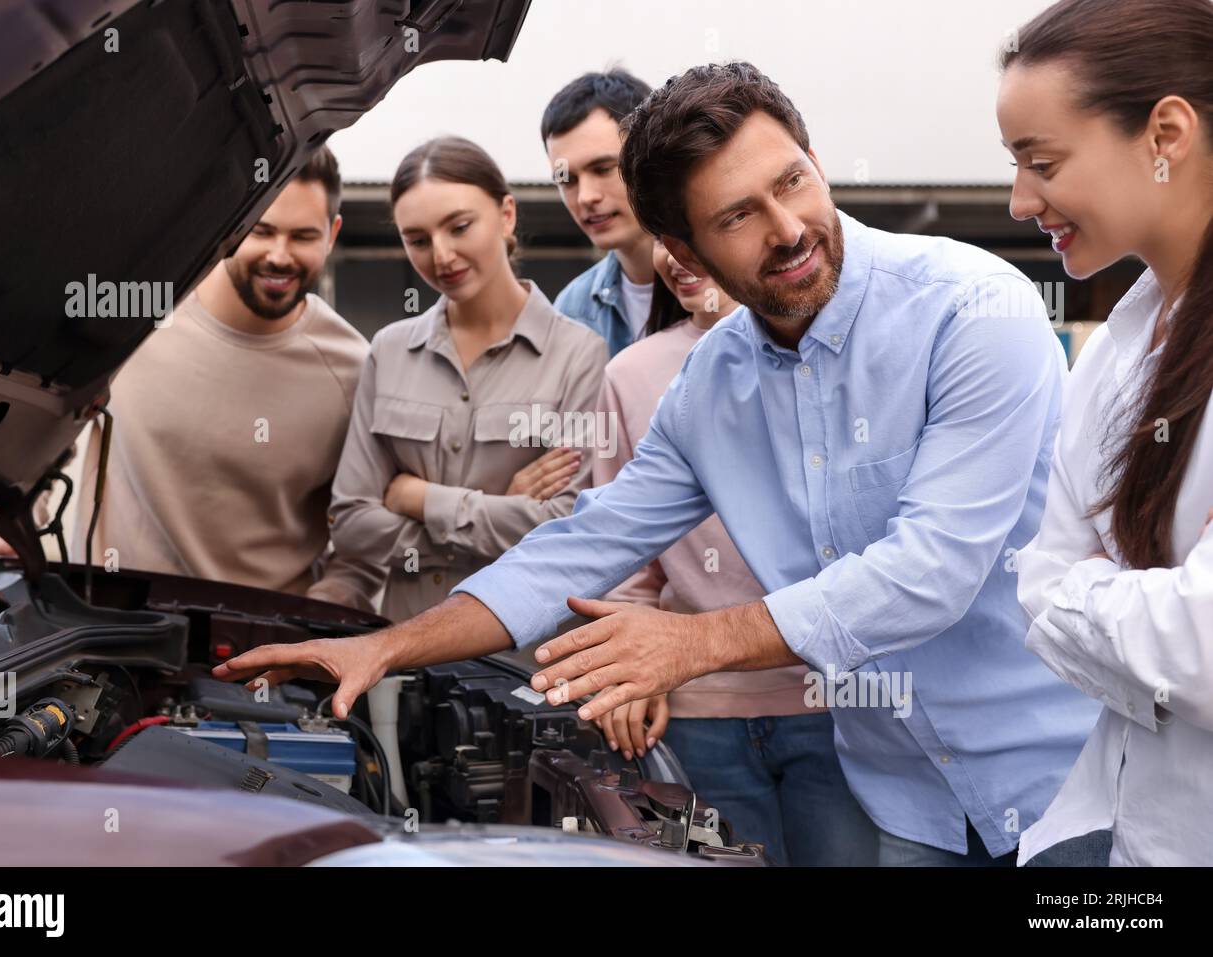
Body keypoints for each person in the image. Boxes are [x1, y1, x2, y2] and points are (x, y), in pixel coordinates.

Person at [215, 62, 1101, 867]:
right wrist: (386, 645)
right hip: (911, 806)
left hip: (1065, 784)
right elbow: (583, 543)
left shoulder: (975, 310)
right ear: (683, 250)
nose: (788, 228)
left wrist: (691, 643)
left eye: (792, 181)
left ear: (816, 160)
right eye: (737, 217)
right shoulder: (707, 388)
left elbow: (930, 572)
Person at [998, 0, 1213, 867]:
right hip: (1124, 841)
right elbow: (1036, 580)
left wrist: (1083, 597)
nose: (1018, 200)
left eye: (1040, 161)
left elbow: (1202, 645)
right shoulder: (1115, 352)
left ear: (1165, 133)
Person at [594, 238, 877, 865]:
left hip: (835, 703)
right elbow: (624, 560)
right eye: (661, 234)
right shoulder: (630, 375)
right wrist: (632, 670)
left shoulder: (839, 355)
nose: (677, 253)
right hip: (695, 711)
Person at [72, 147, 382, 608]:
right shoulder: (131, 315)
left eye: (302, 236)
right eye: (262, 231)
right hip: (103, 630)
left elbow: (364, 549)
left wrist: (309, 631)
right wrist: (24, 539)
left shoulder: (356, 370)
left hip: (257, 654)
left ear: (332, 235)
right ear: (230, 221)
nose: (279, 256)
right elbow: (46, 428)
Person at [321, 136, 608, 623]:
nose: (441, 255)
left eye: (459, 227)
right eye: (417, 239)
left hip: (522, 662)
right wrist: (499, 511)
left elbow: (570, 528)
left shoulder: (581, 357)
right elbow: (350, 523)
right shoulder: (388, 352)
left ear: (507, 215)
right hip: (404, 657)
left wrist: (420, 499)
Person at [545, 70, 657, 356]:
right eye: (566, 180)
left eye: (603, 169)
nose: (585, 197)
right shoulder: (571, 310)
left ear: (651, 158)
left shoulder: (725, 290)